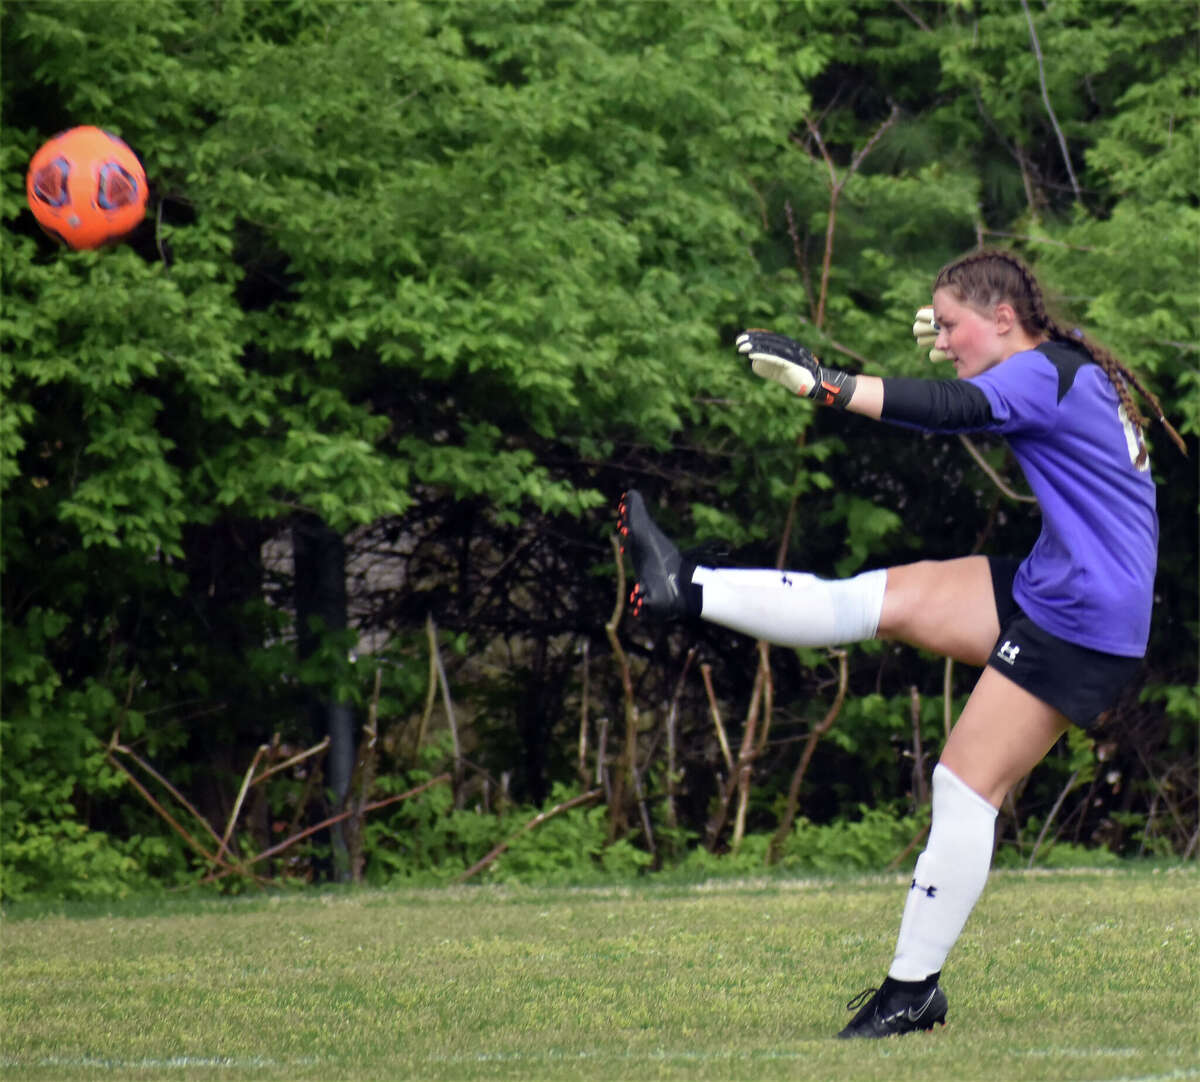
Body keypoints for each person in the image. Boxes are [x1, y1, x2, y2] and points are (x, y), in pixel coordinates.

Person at [616, 249, 1186, 1039]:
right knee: (874, 600)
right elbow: (984, 368)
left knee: (964, 787)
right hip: (1055, 584)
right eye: (937, 327)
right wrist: (963, 330)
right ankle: (686, 586)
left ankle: (911, 991)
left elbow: (949, 409)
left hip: (1084, 618)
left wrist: (828, 385)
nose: (942, 342)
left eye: (951, 326)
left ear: (1004, 318)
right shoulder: (1056, 359)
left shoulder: (1035, 374)